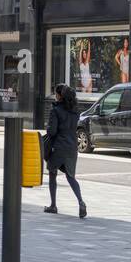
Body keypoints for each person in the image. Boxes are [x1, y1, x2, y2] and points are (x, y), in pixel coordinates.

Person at [44, 84, 87, 219]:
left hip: (58, 146)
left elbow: (52, 131)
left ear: (59, 95)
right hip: (72, 147)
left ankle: (53, 205)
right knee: (70, 177)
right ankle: (81, 202)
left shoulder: (55, 110)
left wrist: (48, 126)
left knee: (52, 173)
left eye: (56, 93)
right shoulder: (75, 111)